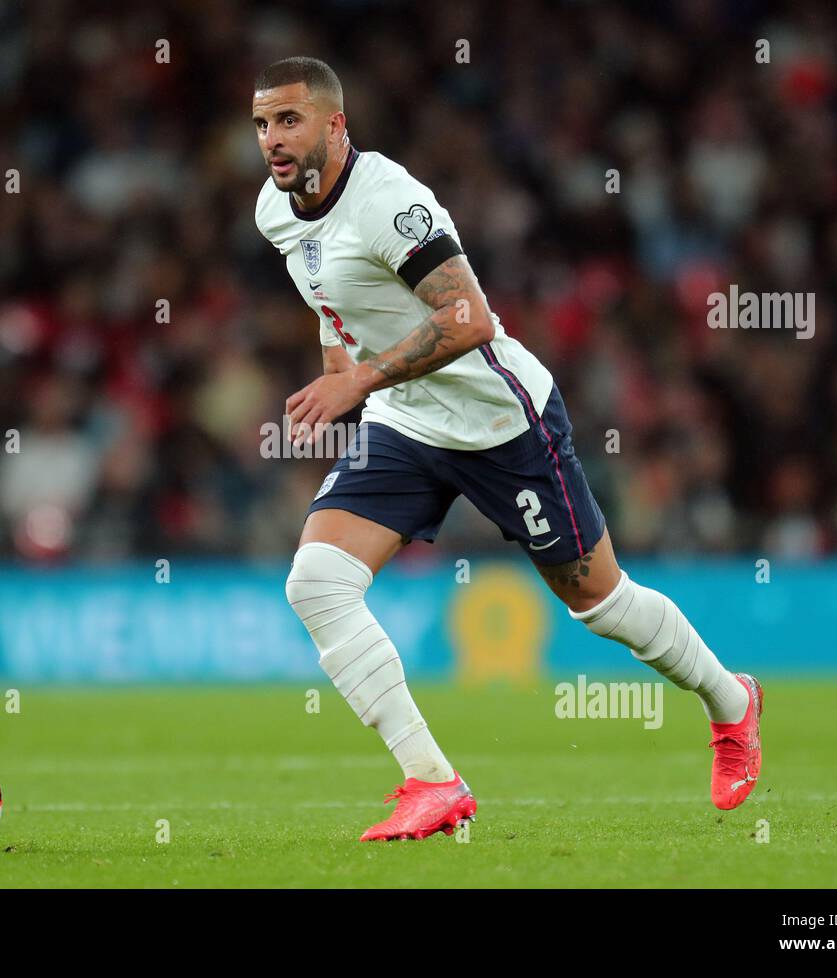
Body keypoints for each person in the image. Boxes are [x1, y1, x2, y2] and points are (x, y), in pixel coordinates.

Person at [253, 57, 763, 841]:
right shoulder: (276, 211)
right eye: (261, 124)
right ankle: (432, 782)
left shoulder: (391, 203)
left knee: (600, 603)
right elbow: (332, 299)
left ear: (334, 124)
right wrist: (342, 376)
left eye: (289, 120)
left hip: (501, 421)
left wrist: (360, 380)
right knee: (317, 582)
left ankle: (732, 704)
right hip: (404, 421)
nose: (272, 140)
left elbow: (470, 319)